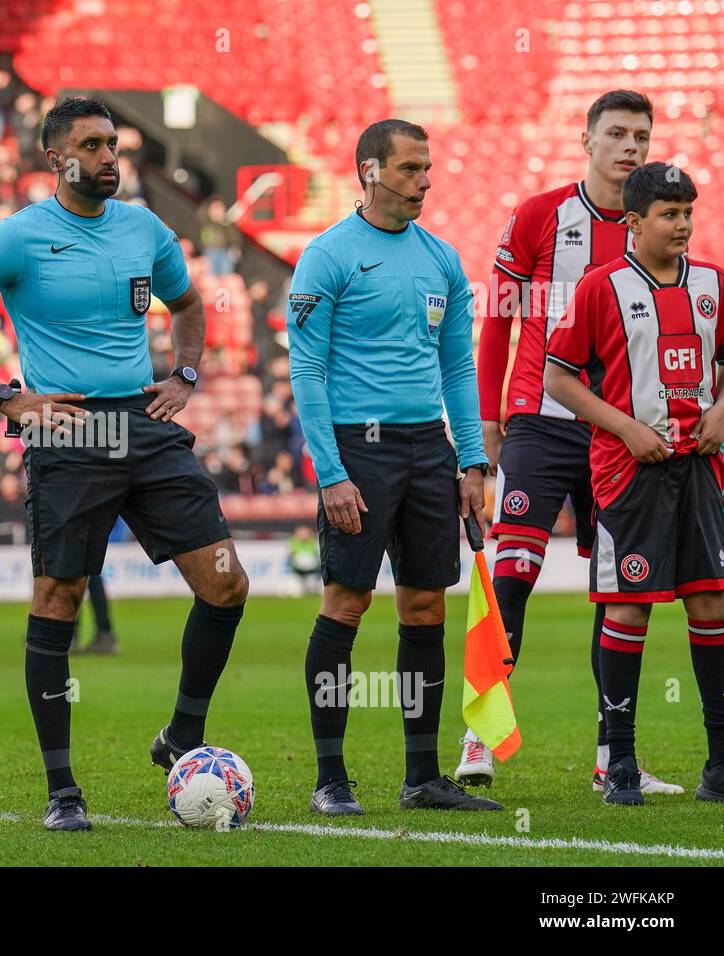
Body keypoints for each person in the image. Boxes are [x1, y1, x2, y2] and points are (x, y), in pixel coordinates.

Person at [0, 97, 249, 831]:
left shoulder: (145, 228)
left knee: (226, 585)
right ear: (55, 158)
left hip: (145, 422)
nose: (108, 157)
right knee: (58, 601)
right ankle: (63, 791)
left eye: (113, 144)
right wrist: (10, 399)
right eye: (92, 145)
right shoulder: (17, 238)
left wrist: (184, 375)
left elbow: (188, 304)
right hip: (69, 433)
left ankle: (184, 735)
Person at [468, 89, 680, 794]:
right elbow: (498, 322)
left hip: (618, 437)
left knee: (620, 592)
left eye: (640, 137)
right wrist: (488, 420)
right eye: (616, 134)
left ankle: (611, 757)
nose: (630, 147)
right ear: (586, 140)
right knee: (514, 575)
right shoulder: (538, 217)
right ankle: (480, 735)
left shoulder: (656, 229)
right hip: (538, 423)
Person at [288, 119, 500, 816]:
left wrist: (471, 459)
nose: (425, 181)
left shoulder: (441, 259)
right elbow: (309, 366)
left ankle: (422, 778)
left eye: (427, 168)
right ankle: (329, 777)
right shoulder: (327, 257)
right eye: (410, 169)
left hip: (427, 448)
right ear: (368, 172)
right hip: (358, 449)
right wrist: (330, 470)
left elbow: (458, 366)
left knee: (426, 605)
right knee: (346, 602)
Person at [543, 162, 724, 806]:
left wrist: (720, 414)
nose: (682, 225)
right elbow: (558, 378)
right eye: (669, 214)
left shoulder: (711, 283)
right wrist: (626, 428)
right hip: (629, 472)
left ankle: (719, 764)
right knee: (627, 607)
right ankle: (619, 760)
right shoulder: (601, 287)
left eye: (688, 212)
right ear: (635, 220)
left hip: (701, 470)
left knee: (711, 605)